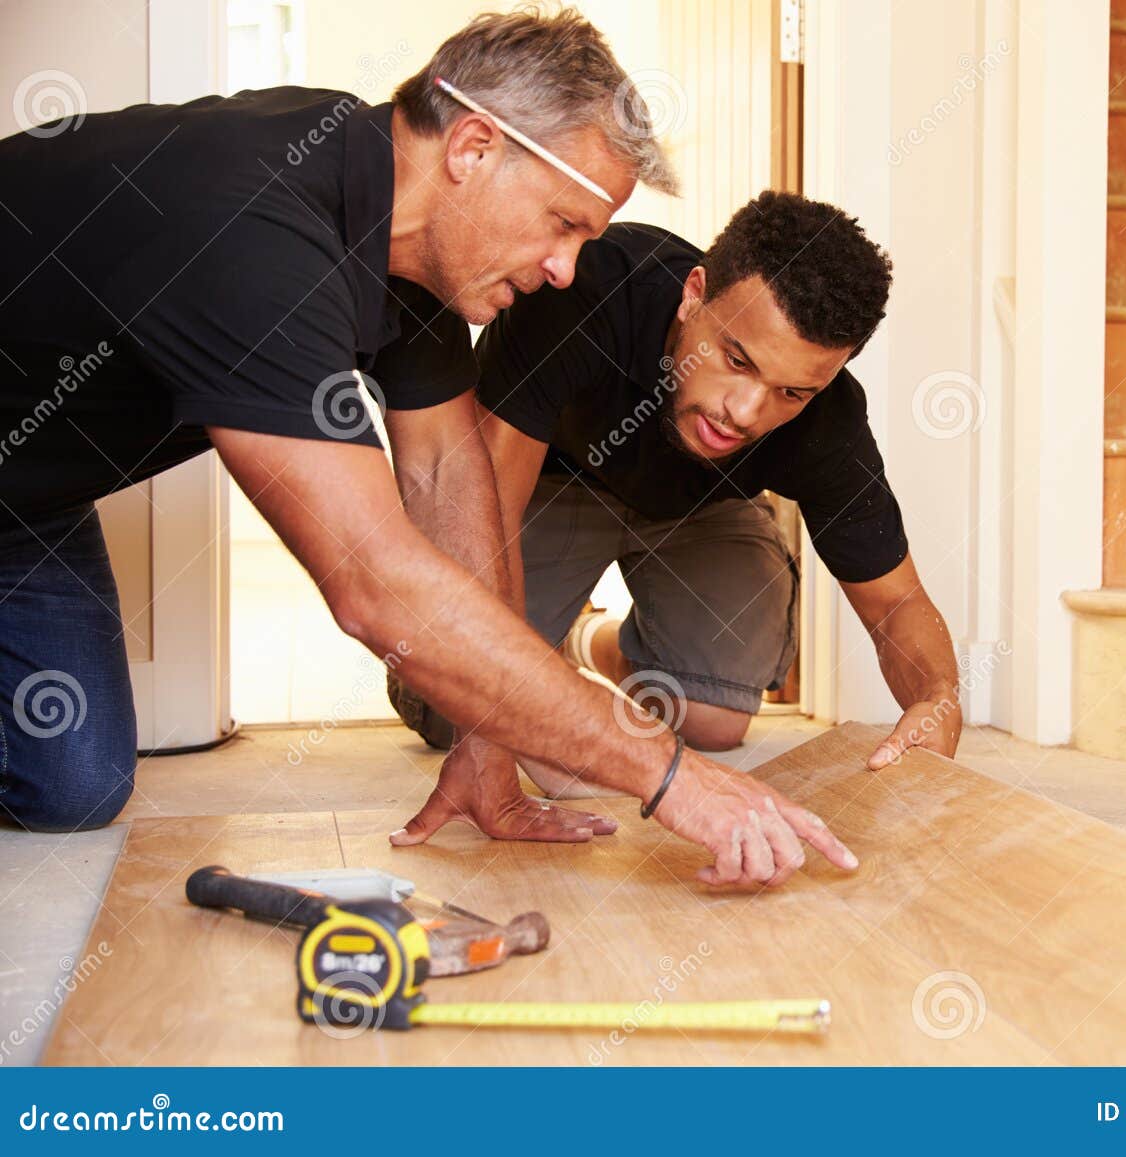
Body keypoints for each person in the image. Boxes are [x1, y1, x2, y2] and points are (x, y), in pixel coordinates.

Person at [0, 9, 854, 890]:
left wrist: (491, 742)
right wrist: (668, 774)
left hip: (29, 501)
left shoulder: (412, 255)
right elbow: (378, 585)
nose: (566, 269)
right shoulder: (254, 231)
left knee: (75, 785)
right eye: (563, 223)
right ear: (476, 147)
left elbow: (446, 473)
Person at [391, 192, 963, 802]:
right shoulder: (587, 291)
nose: (743, 413)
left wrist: (937, 699)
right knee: (455, 711)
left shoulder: (828, 421)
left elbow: (896, 602)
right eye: (736, 360)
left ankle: (588, 642)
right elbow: (486, 521)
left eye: (791, 392)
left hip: (702, 507)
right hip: (554, 484)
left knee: (711, 721)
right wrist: (543, 720)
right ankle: (541, 651)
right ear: (694, 294)